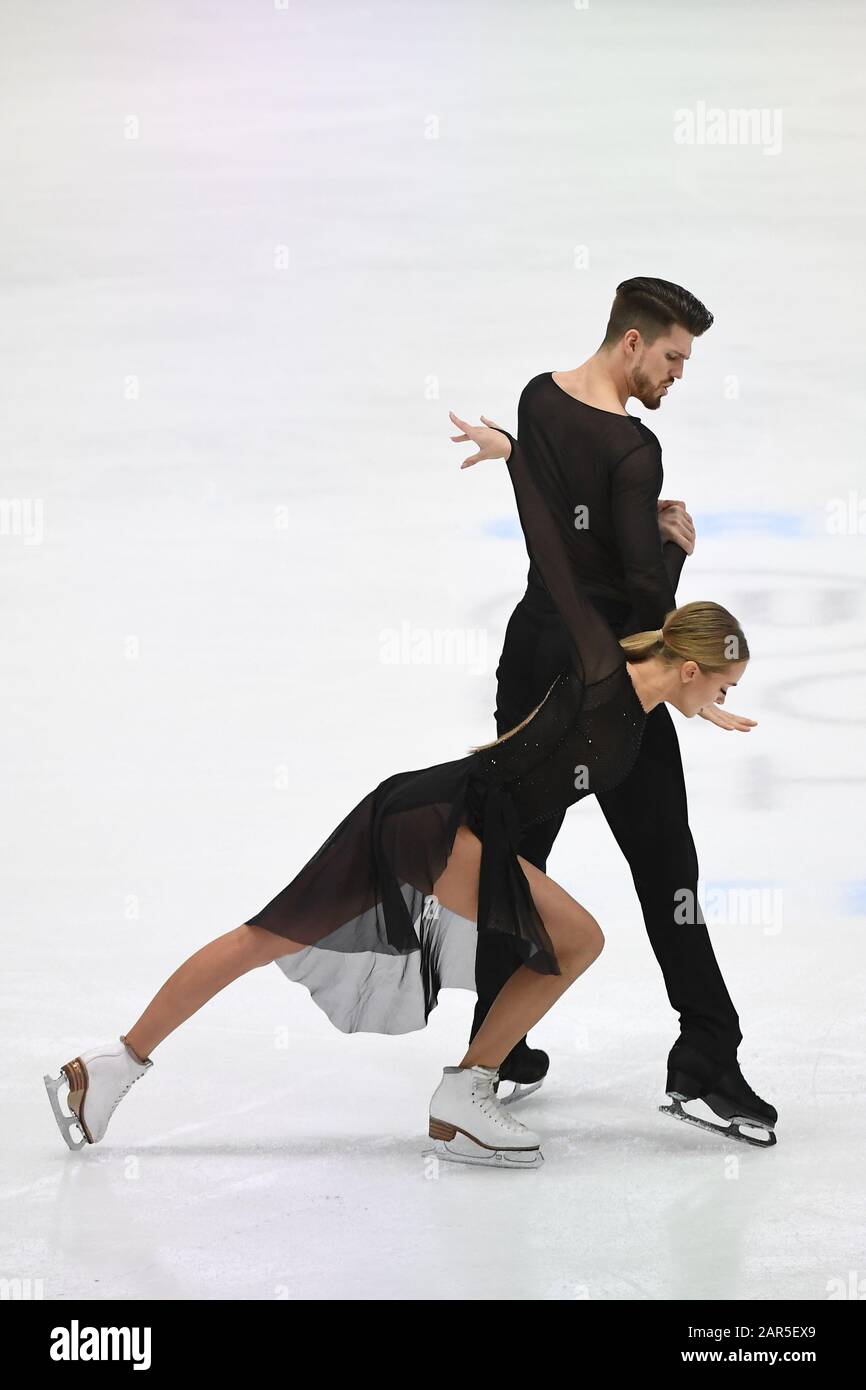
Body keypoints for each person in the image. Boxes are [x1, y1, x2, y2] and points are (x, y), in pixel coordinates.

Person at [43, 387, 773, 1174]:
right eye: (722, 687)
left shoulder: (648, 688)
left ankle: (110, 1068)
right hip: (434, 821)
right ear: (692, 667)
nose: (722, 702)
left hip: (438, 814)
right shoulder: (599, 665)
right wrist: (518, 458)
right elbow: (557, 559)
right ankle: (465, 1091)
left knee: (271, 939)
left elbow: (666, 629)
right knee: (564, 938)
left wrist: (672, 553)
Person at [451, 277, 776, 1144]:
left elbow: (552, 526)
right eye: (672, 357)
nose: (677, 375)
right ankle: (707, 1054)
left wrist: (510, 450)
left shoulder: (536, 398)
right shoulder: (635, 451)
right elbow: (636, 606)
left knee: (517, 856)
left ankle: (497, 1046)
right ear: (632, 343)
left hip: (531, 660)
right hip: (606, 680)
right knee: (667, 865)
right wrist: (672, 554)